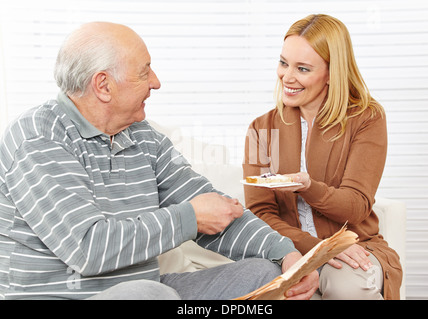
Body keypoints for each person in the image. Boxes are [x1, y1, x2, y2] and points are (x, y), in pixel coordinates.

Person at [0, 22, 318, 300]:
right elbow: (87, 249)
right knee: (151, 294)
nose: (156, 82)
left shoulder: (142, 136)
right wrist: (189, 218)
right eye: (144, 71)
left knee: (263, 275)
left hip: (146, 289)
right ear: (103, 85)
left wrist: (287, 254)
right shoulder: (38, 136)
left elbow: (214, 208)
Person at [243, 14, 402, 300]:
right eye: (283, 63)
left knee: (348, 287)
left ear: (332, 72)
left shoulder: (367, 118)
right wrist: (315, 247)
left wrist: (308, 186)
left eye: (302, 69)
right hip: (286, 252)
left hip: (353, 247)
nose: (287, 77)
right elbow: (259, 213)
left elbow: (355, 207)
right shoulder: (261, 128)